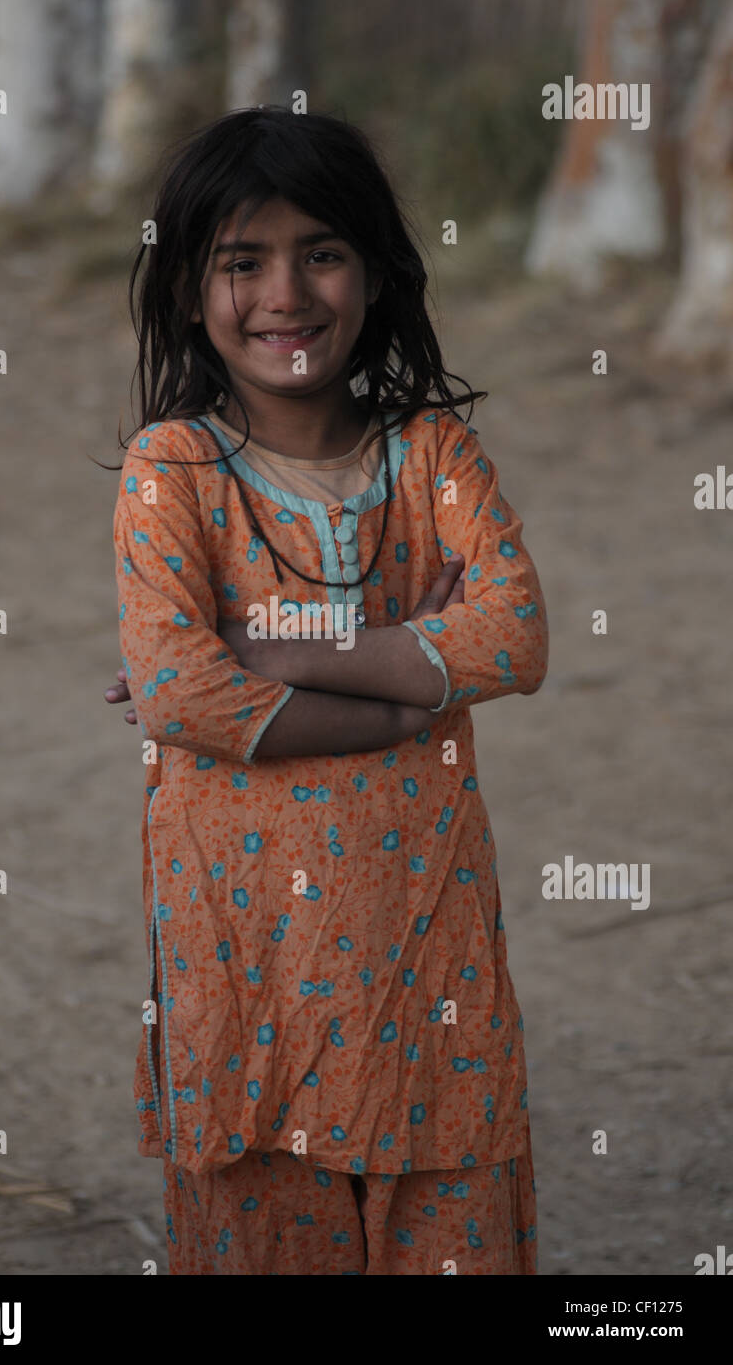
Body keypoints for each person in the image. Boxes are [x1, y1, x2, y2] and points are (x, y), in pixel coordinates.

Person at [105, 107, 548, 1275]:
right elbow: (176, 693)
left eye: (322, 251)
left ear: (374, 272)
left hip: (424, 950)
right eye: (241, 262)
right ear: (190, 290)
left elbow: (511, 636)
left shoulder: (430, 454)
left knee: (444, 1210)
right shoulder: (174, 471)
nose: (284, 294)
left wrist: (278, 646)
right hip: (241, 948)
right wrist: (406, 687)